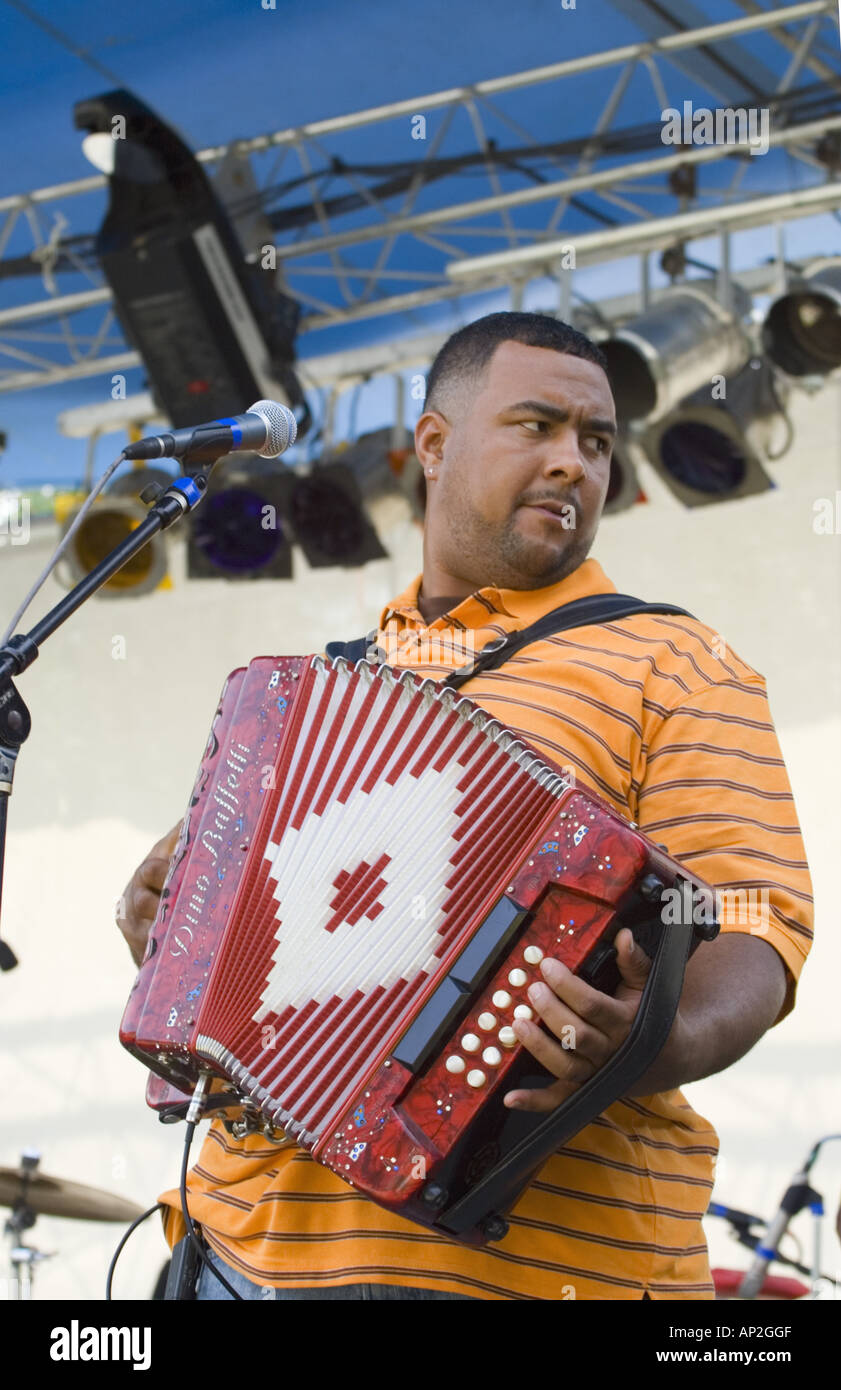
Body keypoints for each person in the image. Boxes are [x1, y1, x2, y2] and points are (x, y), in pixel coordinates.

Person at [118, 312, 813, 1300]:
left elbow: (756, 916)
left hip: (504, 1275)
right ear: (433, 445)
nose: (574, 462)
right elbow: (232, 965)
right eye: (536, 426)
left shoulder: (677, 665)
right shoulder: (323, 698)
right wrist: (163, 927)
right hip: (226, 1254)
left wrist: (655, 1037)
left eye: (597, 440)